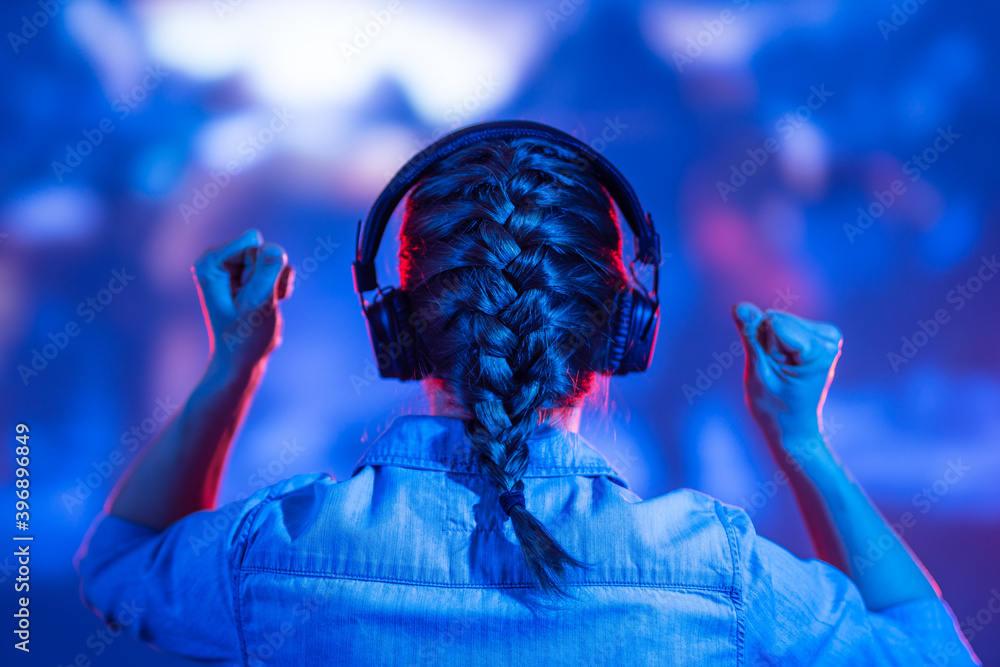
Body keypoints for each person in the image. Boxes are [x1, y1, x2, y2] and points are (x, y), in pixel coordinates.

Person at [75, 136, 980, 666]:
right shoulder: (720, 570)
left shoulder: (273, 549)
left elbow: (118, 564)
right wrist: (802, 444)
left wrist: (235, 362)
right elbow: (931, 648)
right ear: (624, 332)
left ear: (399, 326)